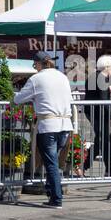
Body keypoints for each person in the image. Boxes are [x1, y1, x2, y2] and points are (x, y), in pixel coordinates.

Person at [13, 53, 74, 209]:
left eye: (36, 65)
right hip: (65, 124)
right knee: (54, 163)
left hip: (48, 125)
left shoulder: (36, 79)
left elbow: (18, 99)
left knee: (51, 164)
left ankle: (56, 198)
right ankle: (51, 192)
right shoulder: (62, 77)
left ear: (39, 64)